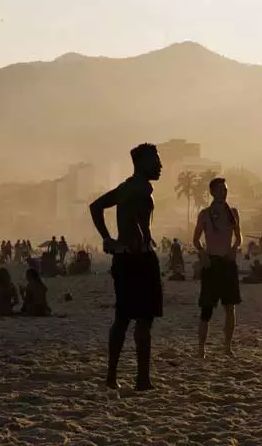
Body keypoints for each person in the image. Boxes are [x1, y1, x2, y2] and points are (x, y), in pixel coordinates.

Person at [90, 142, 164, 391]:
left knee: (122, 318)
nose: (160, 164)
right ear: (142, 163)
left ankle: (112, 377)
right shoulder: (139, 190)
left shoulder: (126, 187)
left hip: (125, 258)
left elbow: (96, 206)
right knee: (143, 320)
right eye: (156, 159)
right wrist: (137, 238)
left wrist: (108, 238)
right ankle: (142, 379)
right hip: (138, 259)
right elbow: (133, 217)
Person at [192, 176, 242, 358]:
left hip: (227, 263)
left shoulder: (233, 213)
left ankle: (227, 346)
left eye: (226, 190)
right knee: (206, 309)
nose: (224, 192)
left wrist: (235, 249)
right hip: (211, 264)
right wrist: (203, 254)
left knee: (230, 307)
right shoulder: (205, 214)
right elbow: (196, 240)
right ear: (212, 192)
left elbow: (239, 237)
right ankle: (201, 348)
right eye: (221, 190)